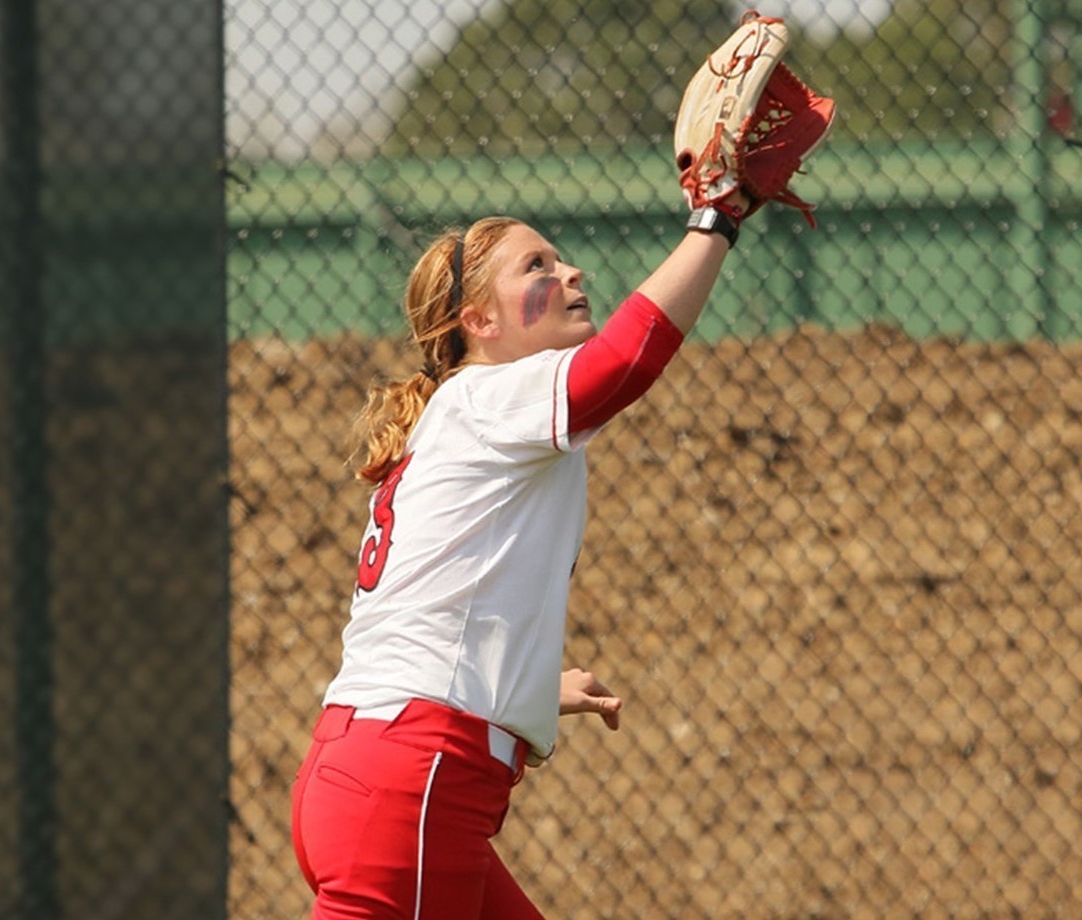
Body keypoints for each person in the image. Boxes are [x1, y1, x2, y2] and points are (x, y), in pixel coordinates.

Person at [290, 191, 752, 919]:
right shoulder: (489, 398)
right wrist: (716, 221)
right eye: (537, 266)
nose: (570, 273)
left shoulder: (469, 414)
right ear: (481, 322)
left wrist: (526, 685)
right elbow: (629, 357)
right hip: (414, 781)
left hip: (378, 772)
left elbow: (442, 605)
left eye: (560, 257)